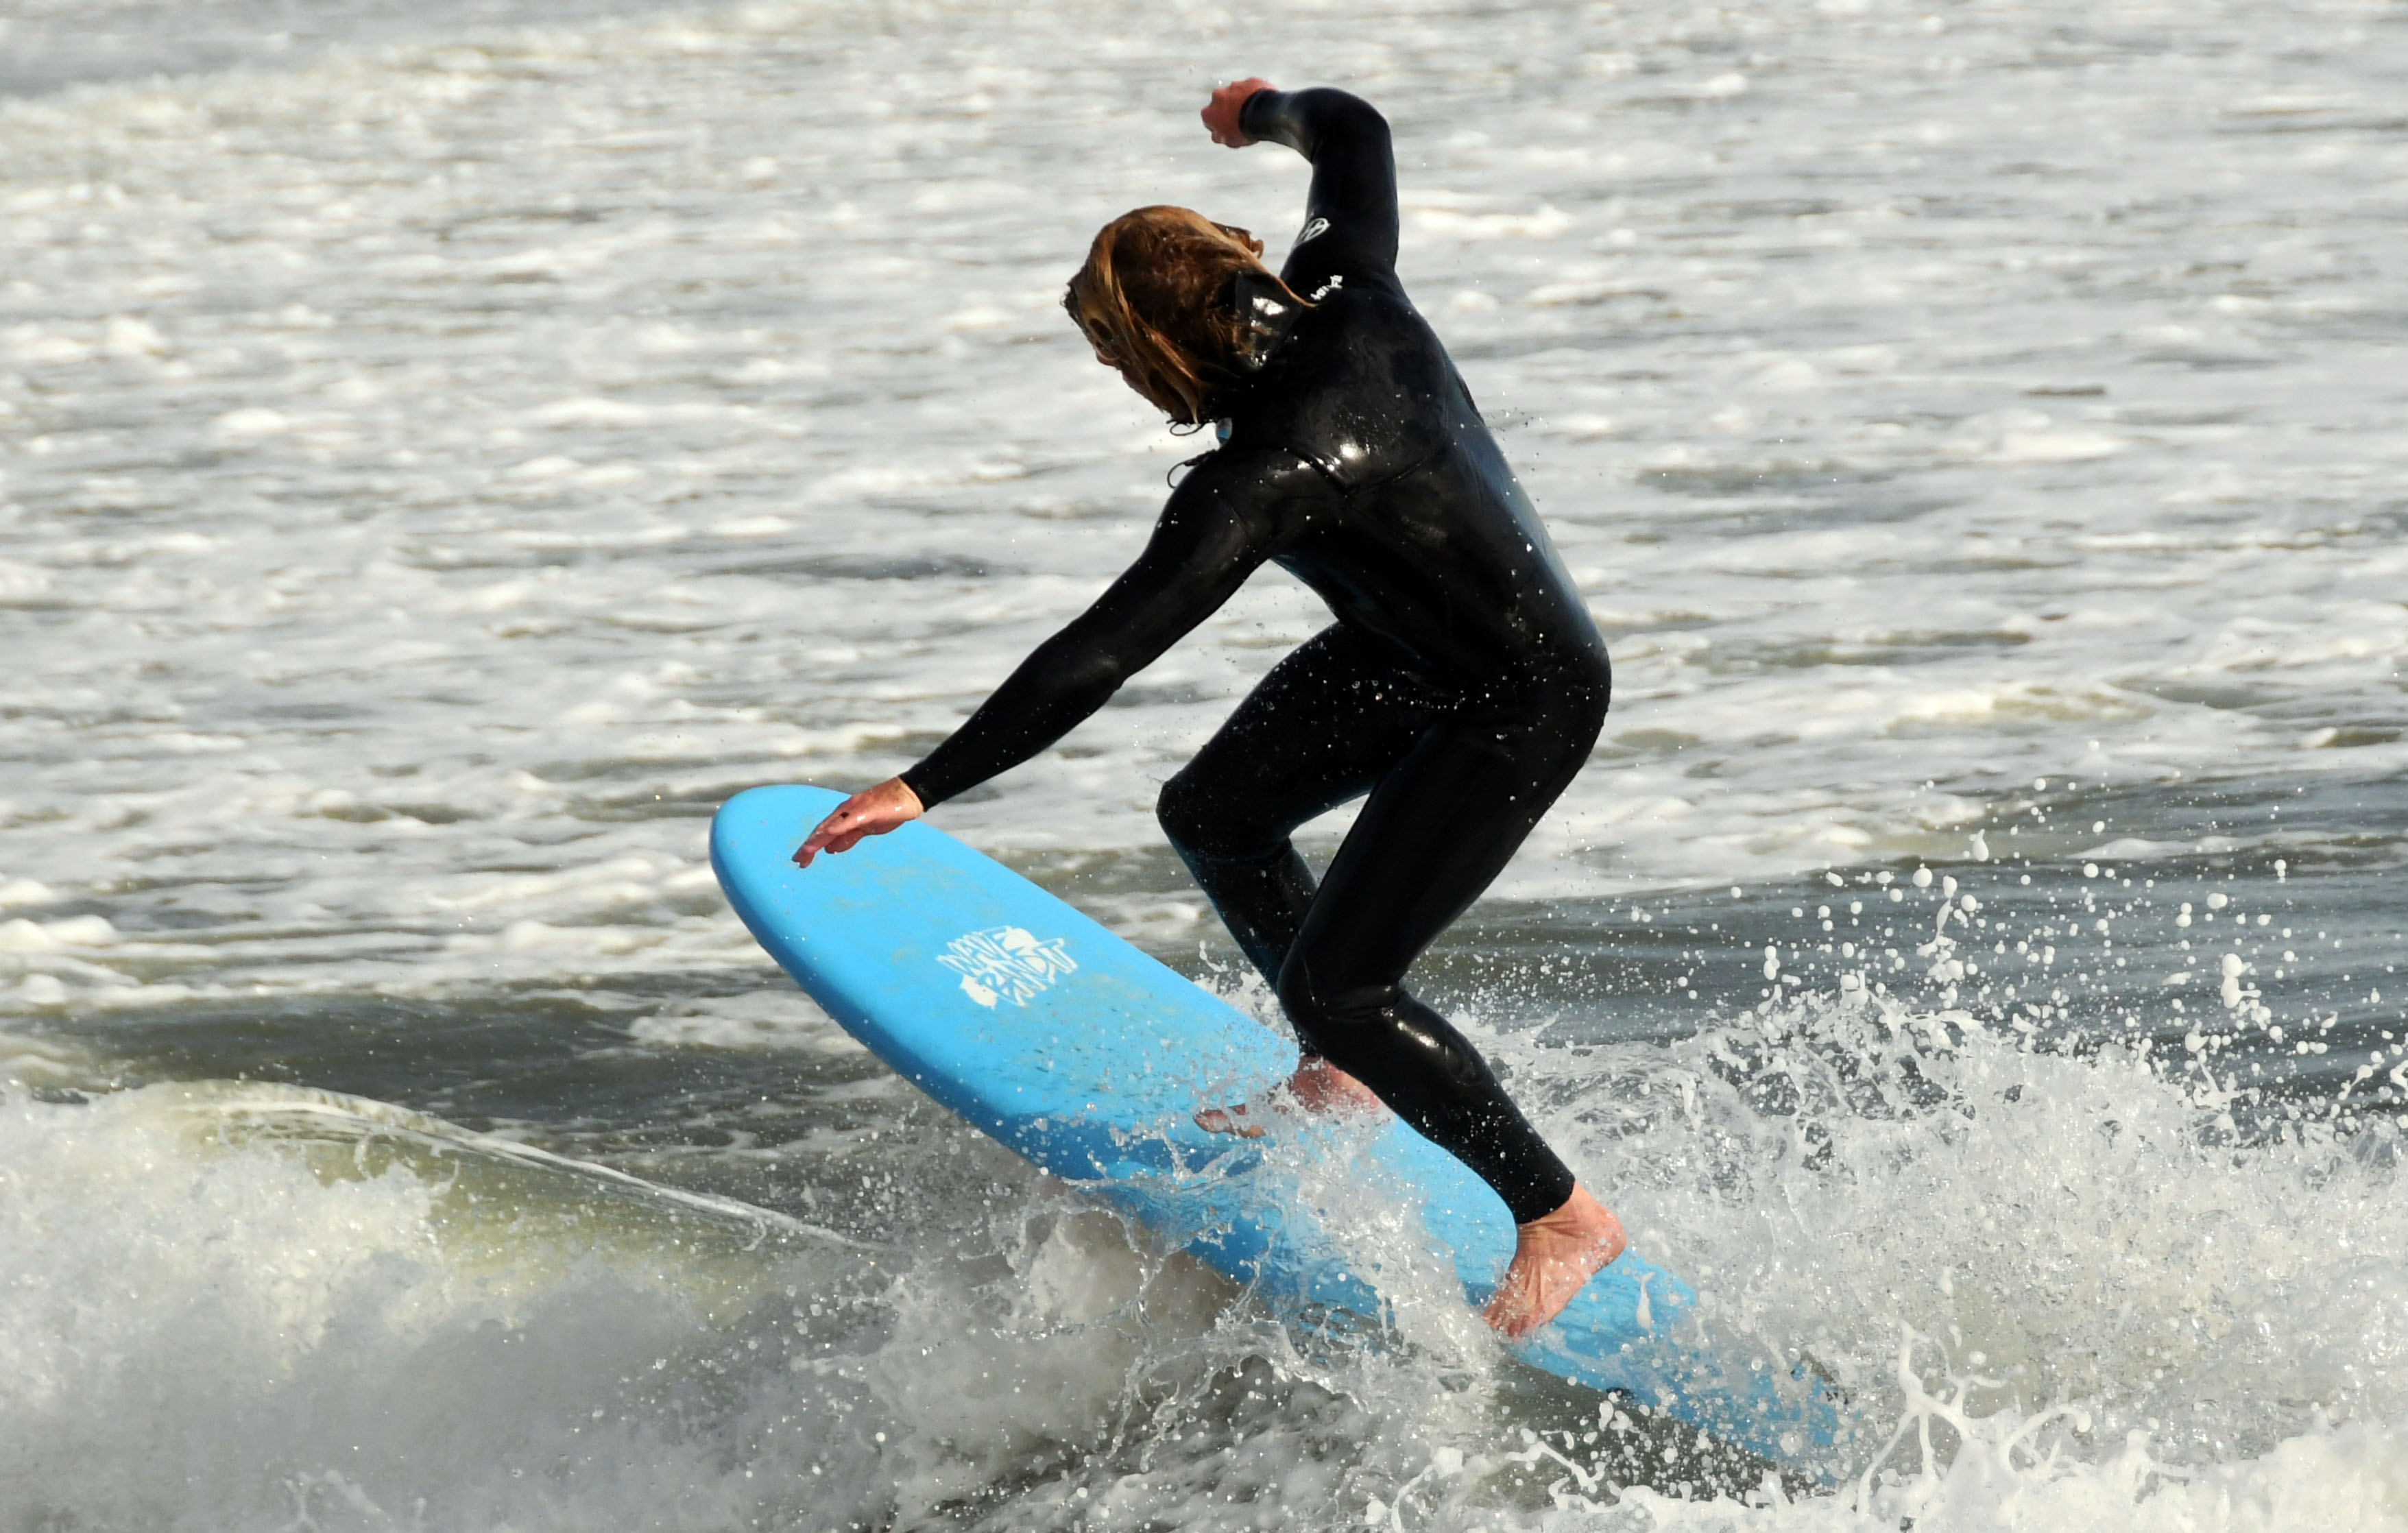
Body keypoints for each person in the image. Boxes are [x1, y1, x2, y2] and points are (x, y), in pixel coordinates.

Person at [794, 80, 1624, 1337]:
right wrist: (1263, 109)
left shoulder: (1261, 476)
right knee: (1217, 811)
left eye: (1112, 352)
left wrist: (925, 786)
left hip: (1520, 697)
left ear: (1160, 348)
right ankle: (1339, 1068)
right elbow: (1357, 133)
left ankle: (1561, 1217)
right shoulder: (1351, 289)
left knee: (1350, 978)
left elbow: (1102, 650)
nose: (1114, 375)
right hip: (1415, 651)